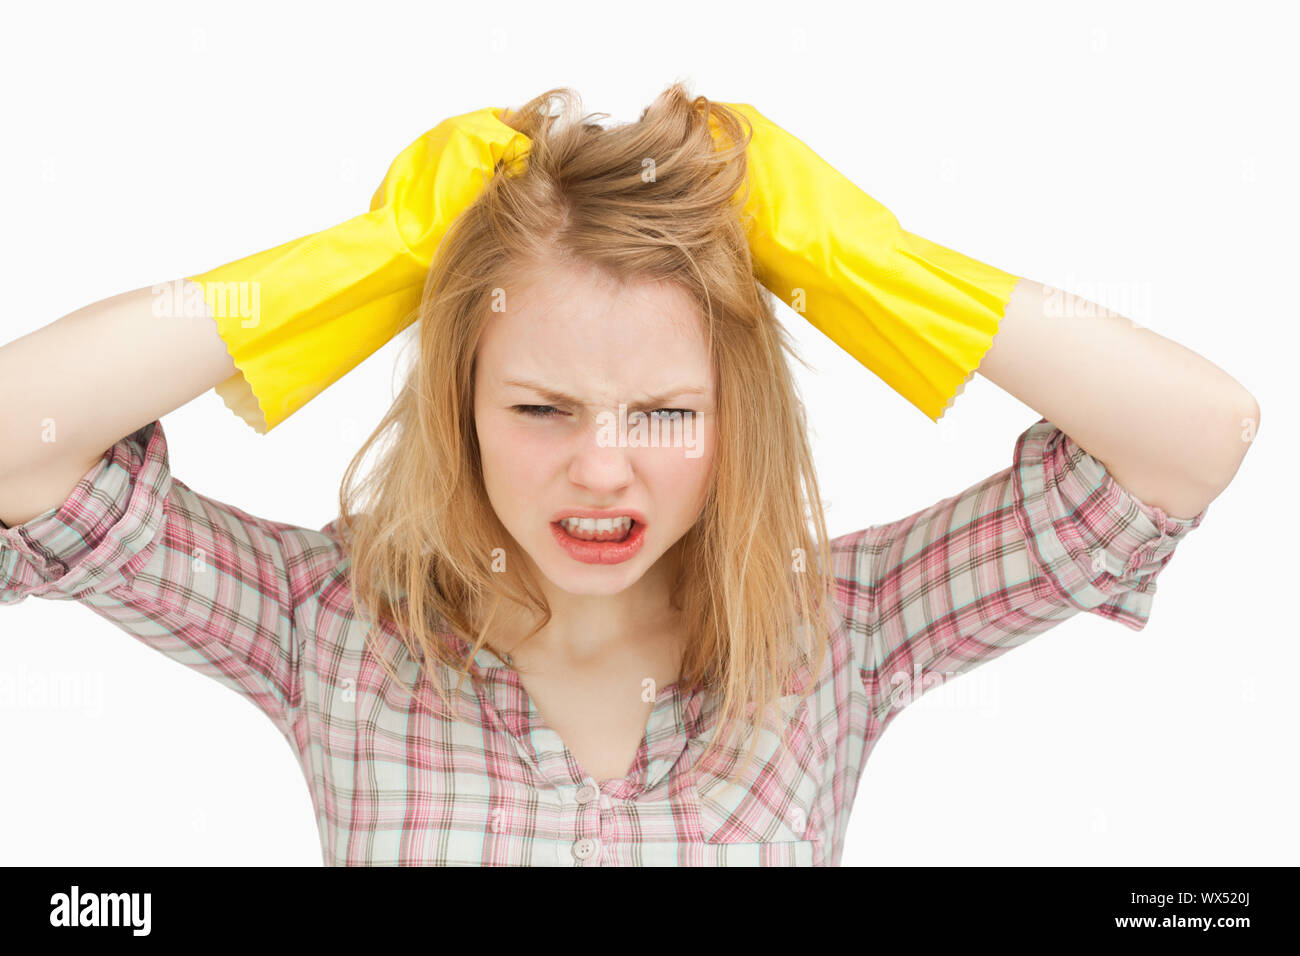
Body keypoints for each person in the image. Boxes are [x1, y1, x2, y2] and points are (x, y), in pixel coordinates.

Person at [0, 83, 1258, 866]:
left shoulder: (840, 628)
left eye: (663, 410)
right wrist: (367, 257)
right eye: (540, 404)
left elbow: (1192, 436)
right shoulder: (327, 622)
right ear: (463, 406)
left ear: (733, 414)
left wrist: (872, 263)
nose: (600, 470)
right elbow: (19, 439)